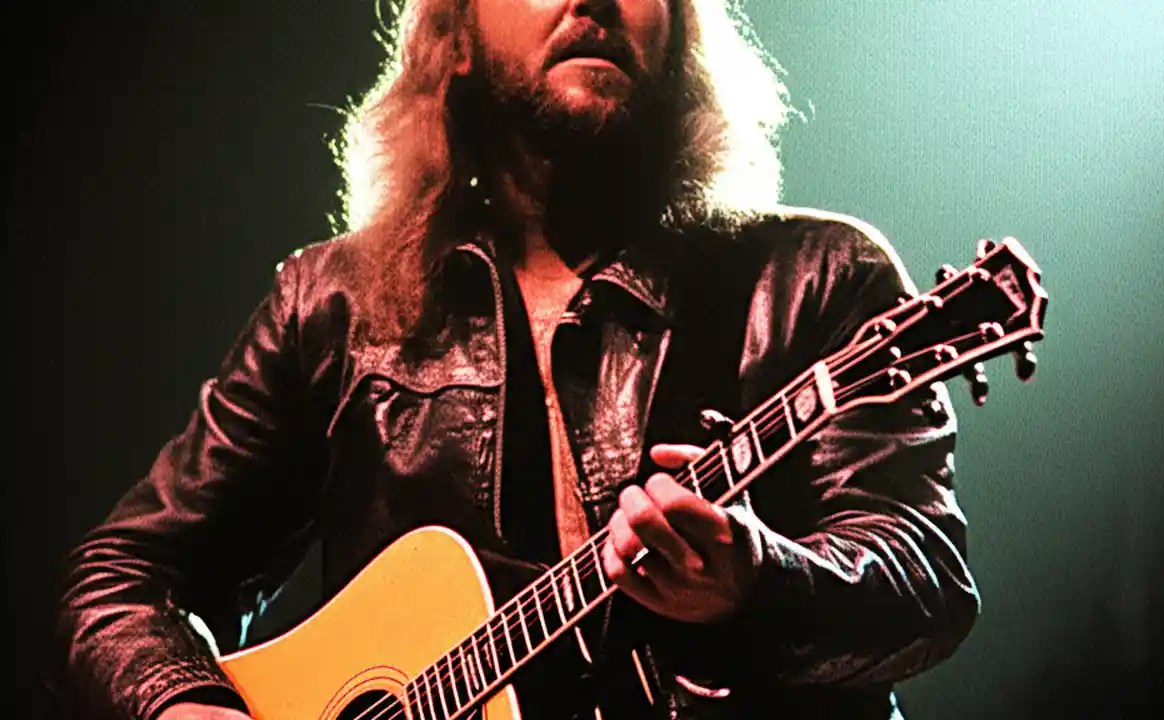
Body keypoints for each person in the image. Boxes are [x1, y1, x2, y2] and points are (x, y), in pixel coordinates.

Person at [54, 1, 979, 718]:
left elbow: (926, 580)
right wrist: (187, 705)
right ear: (453, 33)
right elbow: (120, 580)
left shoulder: (816, 279)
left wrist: (757, 580)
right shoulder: (331, 307)